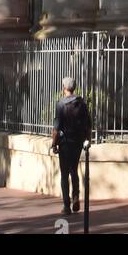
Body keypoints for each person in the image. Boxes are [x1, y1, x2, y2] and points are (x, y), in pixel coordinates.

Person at [51, 76, 92, 216]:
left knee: (64, 174)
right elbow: (88, 124)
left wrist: (54, 144)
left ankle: (66, 205)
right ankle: (75, 197)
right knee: (74, 170)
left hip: (65, 142)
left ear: (64, 88)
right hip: (78, 141)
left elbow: (56, 128)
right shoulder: (82, 103)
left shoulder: (61, 104)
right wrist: (88, 140)